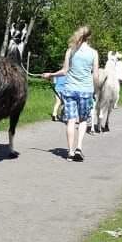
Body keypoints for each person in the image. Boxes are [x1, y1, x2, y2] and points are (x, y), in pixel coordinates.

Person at [42, 26, 99, 162]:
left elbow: (64, 71)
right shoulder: (93, 53)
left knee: (71, 121)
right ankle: (79, 148)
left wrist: (50, 74)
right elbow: (96, 75)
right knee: (83, 120)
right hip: (86, 91)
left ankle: (70, 152)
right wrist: (96, 90)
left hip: (69, 90)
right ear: (89, 37)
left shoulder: (70, 51)